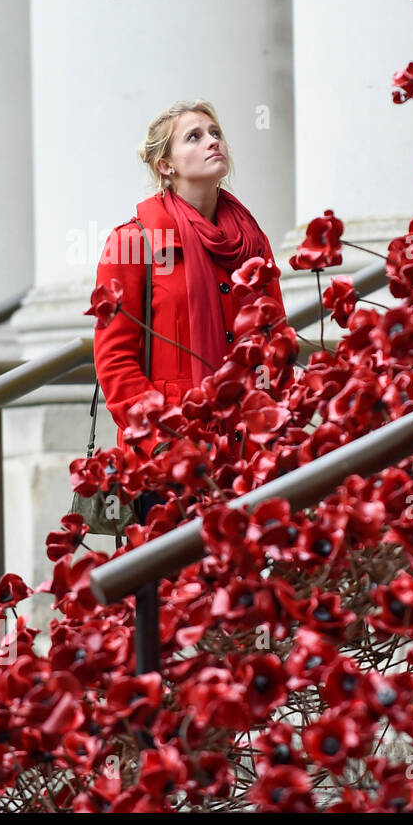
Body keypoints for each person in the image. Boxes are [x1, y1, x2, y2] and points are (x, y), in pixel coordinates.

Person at [92, 99, 288, 526]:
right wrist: (164, 440)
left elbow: (277, 340)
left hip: (248, 451)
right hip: (170, 459)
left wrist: (276, 420)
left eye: (215, 132)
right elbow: (115, 360)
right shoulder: (133, 241)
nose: (212, 141)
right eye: (194, 136)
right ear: (166, 165)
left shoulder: (251, 241)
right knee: (176, 589)